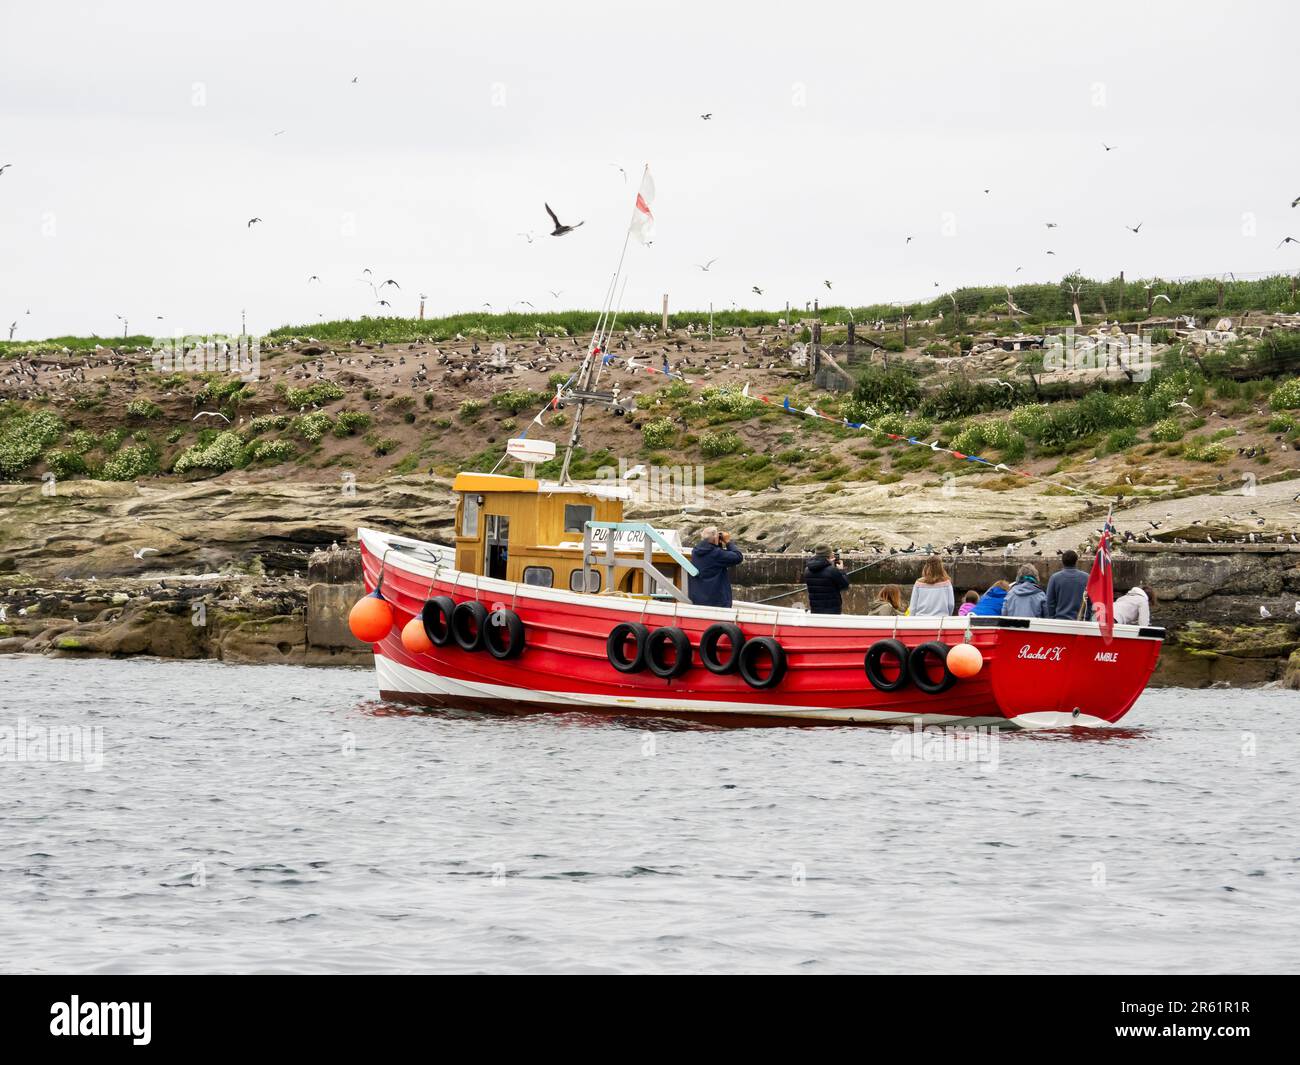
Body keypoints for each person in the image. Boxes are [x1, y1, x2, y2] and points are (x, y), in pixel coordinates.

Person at [688, 526, 743, 608]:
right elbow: (738, 557)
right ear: (715, 538)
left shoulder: (696, 551)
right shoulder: (716, 554)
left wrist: (717, 542)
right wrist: (728, 542)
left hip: (699, 599)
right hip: (717, 602)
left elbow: (714, 554)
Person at [803, 544, 849, 615]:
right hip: (832, 611)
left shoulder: (807, 570)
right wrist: (841, 570)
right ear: (829, 554)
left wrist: (829, 564)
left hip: (815, 609)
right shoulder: (832, 570)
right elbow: (845, 585)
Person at [1045, 549, 1090, 620]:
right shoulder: (1087, 577)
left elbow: (1049, 602)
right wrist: (1087, 618)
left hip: (1060, 621)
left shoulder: (1054, 578)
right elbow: (1090, 601)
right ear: (1076, 561)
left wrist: (1052, 618)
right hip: (1081, 622)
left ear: (1062, 562)